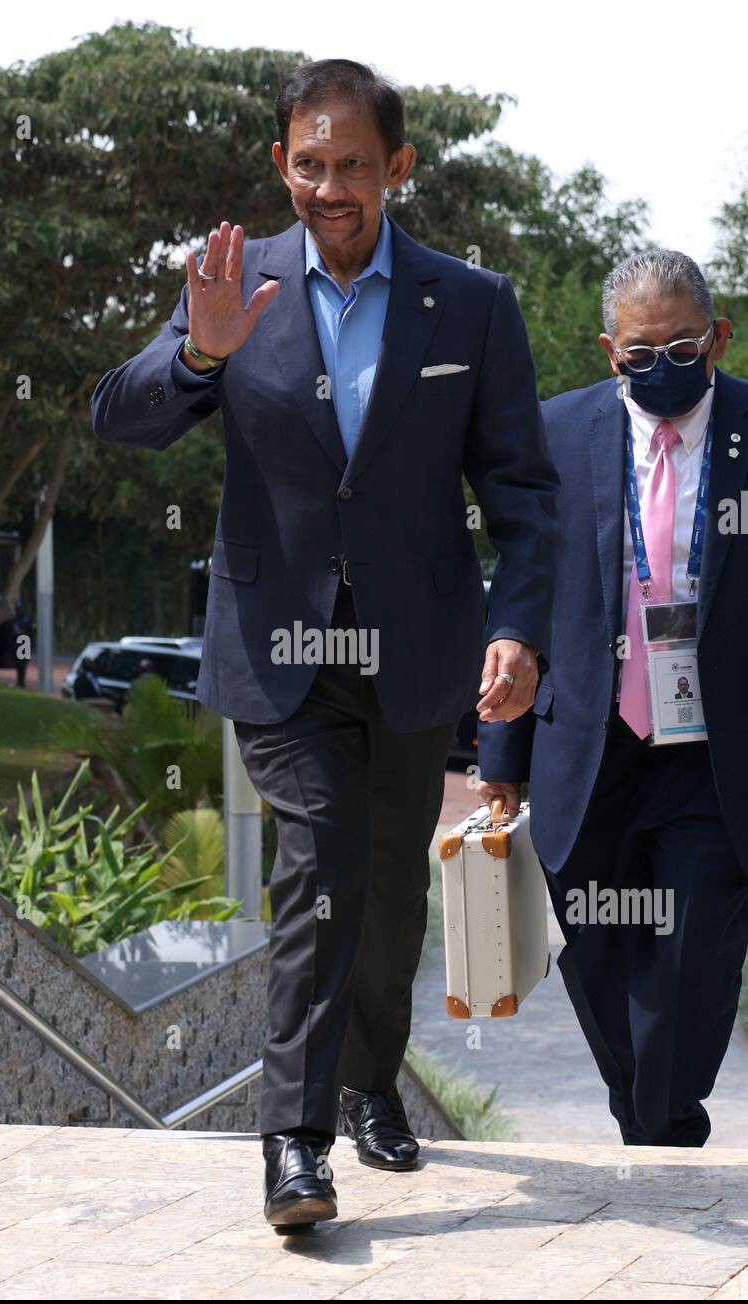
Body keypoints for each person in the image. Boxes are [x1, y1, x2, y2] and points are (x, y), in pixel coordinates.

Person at [92, 58, 559, 1227]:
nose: (330, 186)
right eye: (309, 163)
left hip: (418, 652)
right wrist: (198, 351)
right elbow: (123, 418)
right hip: (277, 646)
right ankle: (293, 1146)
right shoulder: (230, 284)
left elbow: (524, 496)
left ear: (396, 167)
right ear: (279, 164)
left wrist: (519, 628)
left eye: (354, 164)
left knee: (393, 890)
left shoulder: (473, 305)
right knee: (323, 869)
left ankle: (367, 1083)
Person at [477, 249, 748, 1148]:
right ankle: (649, 1120)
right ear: (607, 352)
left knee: (690, 947)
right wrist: (501, 760)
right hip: (587, 749)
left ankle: (664, 1120)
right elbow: (523, 593)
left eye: (681, 347)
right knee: (597, 958)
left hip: (715, 756)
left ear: (718, 337)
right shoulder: (557, 435)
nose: (660, 367)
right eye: (640, 353)